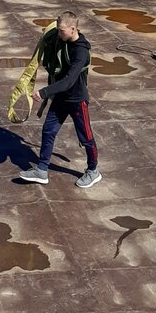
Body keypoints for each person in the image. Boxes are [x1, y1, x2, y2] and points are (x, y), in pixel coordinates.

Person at [19, 11, 101, 189]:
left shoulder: (81, 51)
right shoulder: (61, 41)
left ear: (73, 29)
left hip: (77, 100)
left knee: (86, 137)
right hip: (61, 99)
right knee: (48, 131)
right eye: (57, 30)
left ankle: (93, 171)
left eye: (61, 31)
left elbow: (69, 81)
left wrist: (44, 92)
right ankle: (42, 170)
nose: (59, 33)